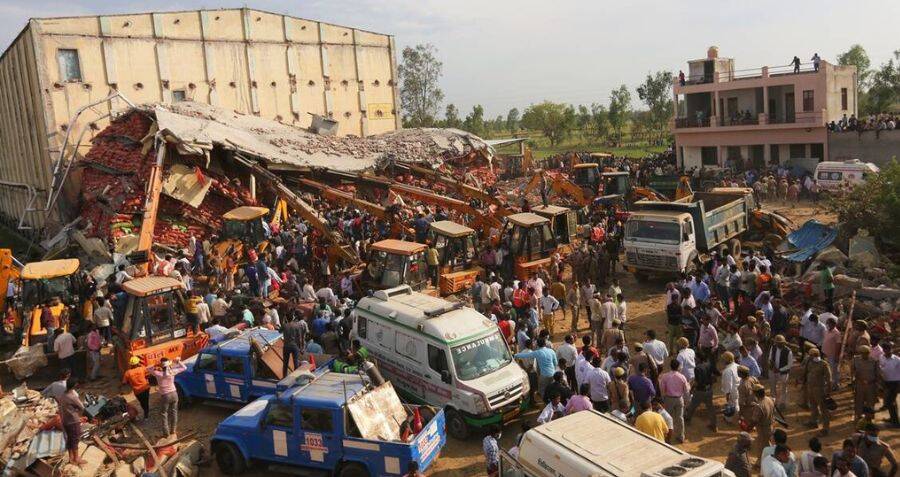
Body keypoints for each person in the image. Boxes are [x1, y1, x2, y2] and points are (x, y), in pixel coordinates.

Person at [150, 357, 187, 439]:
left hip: (165, 396)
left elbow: (148, 368)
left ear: (161, 366)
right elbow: (184, 367)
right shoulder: (172, 372)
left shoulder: (158, 373)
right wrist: (178, 361)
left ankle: (166, 433)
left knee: (164, 414)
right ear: (168, 365)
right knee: (174, 412)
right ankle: (173, 430)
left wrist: (156, 364)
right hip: (174, 394)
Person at [685, 350, 718, 431]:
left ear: (699, 358)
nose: (695, 359)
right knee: (710, 408)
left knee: (693, 406)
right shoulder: (709, 364)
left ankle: (687, 419)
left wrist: (692, 389)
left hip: (700, 391)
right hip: (709, 390)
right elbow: (716, 373)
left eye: (696, 358)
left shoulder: (697, 368)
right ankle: (714, 425)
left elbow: (697, 381)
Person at [659, 358, 690, 443]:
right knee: (680, 418)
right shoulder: (682, 377)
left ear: (670, 366)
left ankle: (665, 435)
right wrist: (686, 400)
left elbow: (662, 389)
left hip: (669, 399)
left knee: (667, 417)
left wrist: (663, 398)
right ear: (678, 367)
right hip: (679, 399)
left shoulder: (665, 376)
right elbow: (686, 390)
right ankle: (681, 436)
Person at [803, 348, 832, 435]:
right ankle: (813, 421)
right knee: (813, 406)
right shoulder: (810, 363)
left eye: (811, 355)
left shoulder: (824, 364)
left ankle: (826, 428)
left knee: (823, 409)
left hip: (820, 389)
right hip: (811, 388)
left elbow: (829, 379)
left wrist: (828, 392)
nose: (810, 357)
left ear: (815, 355)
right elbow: (807, 373)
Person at [57, 378, 86, 465]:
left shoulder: (62, 395)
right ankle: (76, 458)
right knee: (75, 439)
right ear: (75, 385)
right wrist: (76, 411)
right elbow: (82, 407)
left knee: (69, 439)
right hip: (73, 420)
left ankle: (71, 458)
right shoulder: (72, 396)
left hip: (65, 420)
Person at [748, 384, 776, 465]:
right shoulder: (769, 399)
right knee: (768, 444)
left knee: (762, 447)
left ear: (756, 393)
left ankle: (761, 464)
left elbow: (754, 421)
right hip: (770, 425)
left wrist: (748, 428)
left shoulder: (759, 406)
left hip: (763, 429)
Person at [853, 345, 879, 422]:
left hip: (871, 385)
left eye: (866, 353)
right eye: (863, 353)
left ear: (869, 353)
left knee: (870, 402)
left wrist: (873, 382)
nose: (864, 355)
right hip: (860, 384)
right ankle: (859, 416)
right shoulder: (856, 360)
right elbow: (854, 372)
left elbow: (877, 374)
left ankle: (869, 417)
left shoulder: (874, 361)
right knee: (859, 401)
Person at [769, 334, 793, 409]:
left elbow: (789, 365)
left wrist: (779, 370)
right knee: (772, 387)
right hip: (773, 370)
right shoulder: (773, 347)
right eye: (776, 342)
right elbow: (770, 357)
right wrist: (771, 365)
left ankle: (782, 403)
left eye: (779, 343)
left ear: (783, 343)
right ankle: (774, 403)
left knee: (783, 388)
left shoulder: (788, 351)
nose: (777, 344)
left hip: (783, 372)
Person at [880, 341, 900, 427]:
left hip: (895, 383)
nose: (888, 351)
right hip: (886, 382)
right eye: (886, 349)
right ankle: (893, 418)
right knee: (889, 401)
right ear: (884, 350)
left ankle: (895, 422)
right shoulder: (881, 357)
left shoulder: (897, 360)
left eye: (889, 349)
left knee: (890, 401)